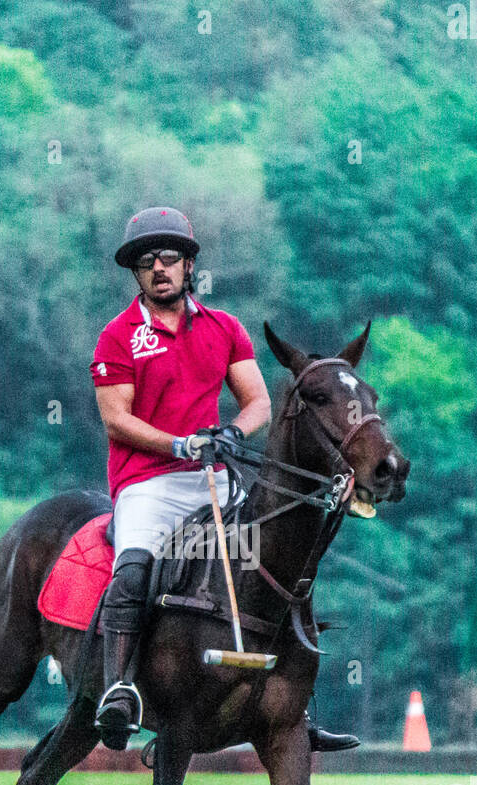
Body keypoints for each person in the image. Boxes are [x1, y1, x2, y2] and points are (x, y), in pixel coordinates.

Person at [90, 206, 359, 753]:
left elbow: (258, 400)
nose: (159, 268)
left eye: (169, 257)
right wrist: (178, 443)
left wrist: (234, 432)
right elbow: (116, 418)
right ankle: (118, 690)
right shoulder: (117, 337)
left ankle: (299, 707)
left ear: (189, 266)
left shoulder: (225, 328)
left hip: (214, 476)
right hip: (147, 483)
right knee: (134, 569)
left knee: (283, 562)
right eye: (147, 262)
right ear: (136, 274)